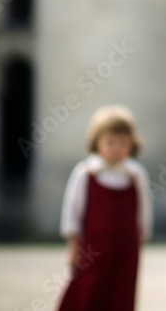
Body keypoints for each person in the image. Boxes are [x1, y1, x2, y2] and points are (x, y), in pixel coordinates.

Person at [56, 105, 153, 311]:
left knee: (121, 294)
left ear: (132, 144)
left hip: (126, 250)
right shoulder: (86, 173)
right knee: (89, 292)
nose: (117, 148)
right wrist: (74, 245)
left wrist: (141, 238)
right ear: (97, 142)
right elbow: (73, 211)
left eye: (122, 143)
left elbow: (144, 212)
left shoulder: (135, 175)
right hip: (93, 249)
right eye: (111, 142)